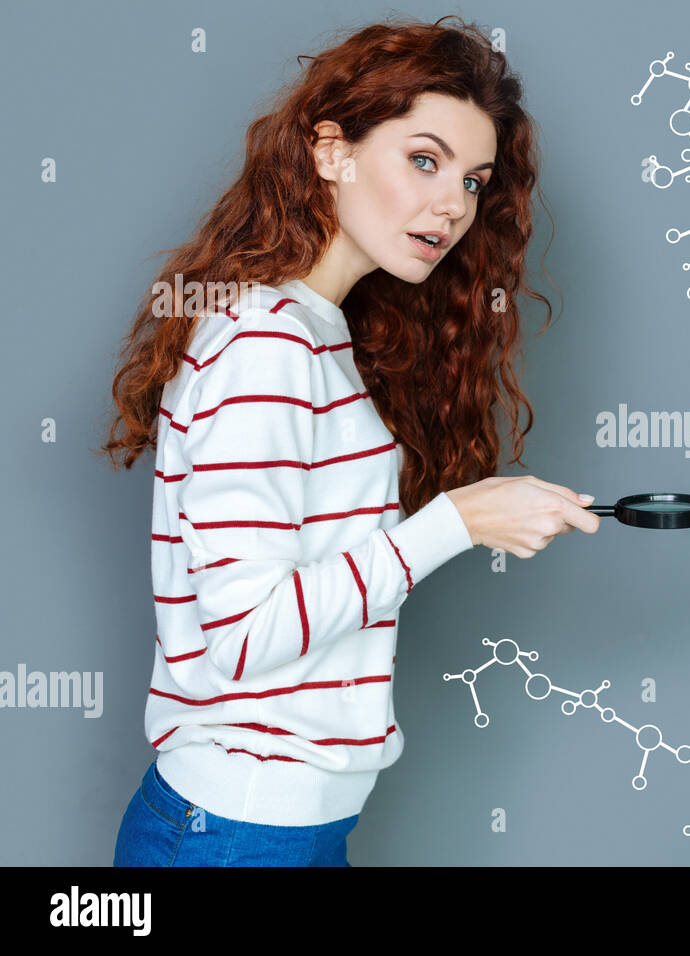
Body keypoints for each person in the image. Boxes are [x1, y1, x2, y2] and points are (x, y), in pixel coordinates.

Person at [100, 16, 599, 866]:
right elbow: (245, 634)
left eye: (474, 182)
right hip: (237, 831)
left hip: (280, 827)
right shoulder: (265, 347)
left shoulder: (315, 331)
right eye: (424, 159)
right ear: (331, 151)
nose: (452, 204)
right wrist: (455, 524)